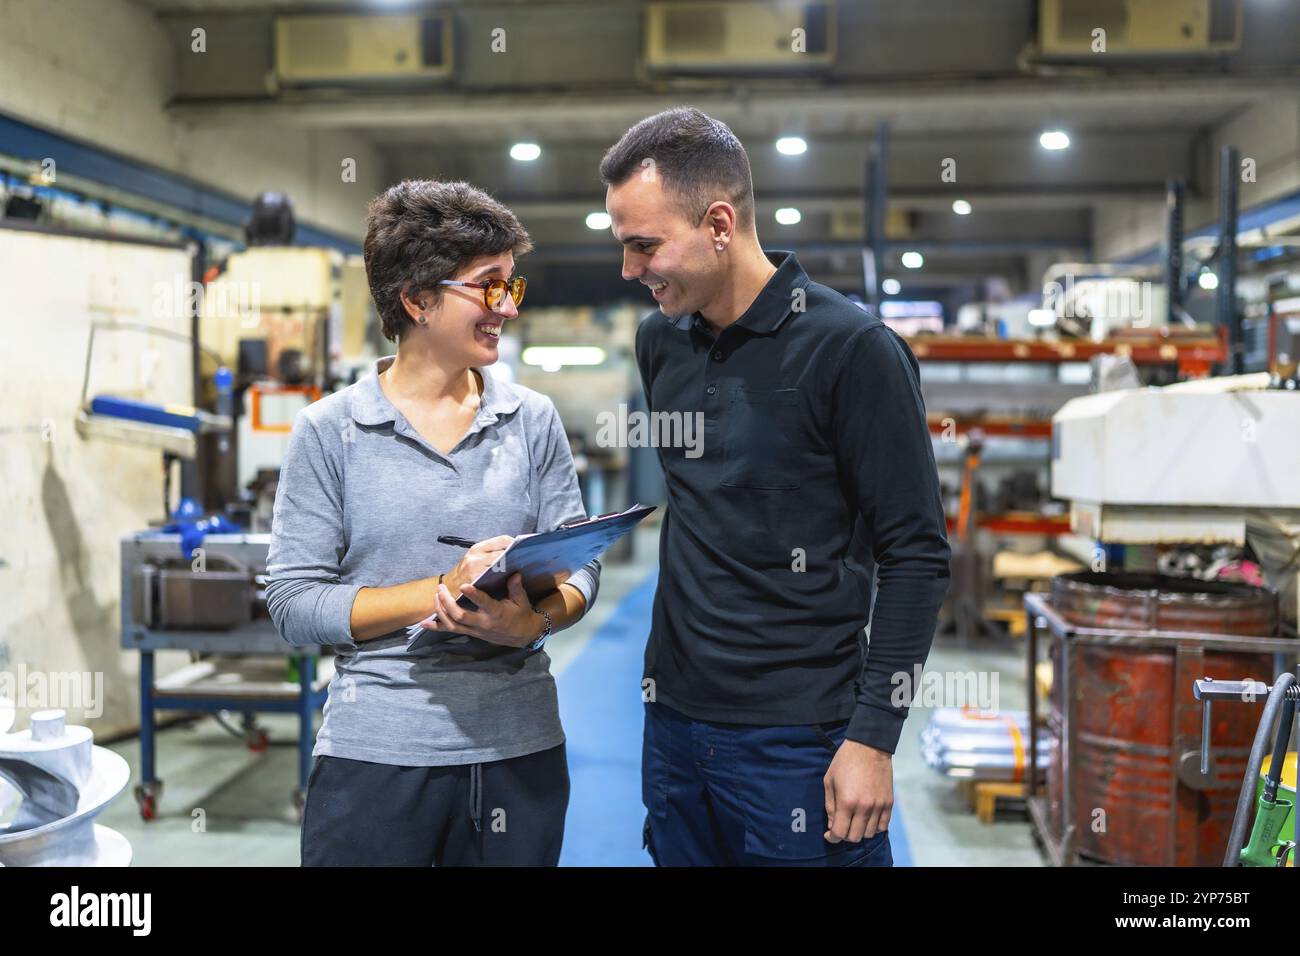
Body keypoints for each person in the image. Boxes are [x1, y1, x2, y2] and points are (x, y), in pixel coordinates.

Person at [601, 108, 951, 866]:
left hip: (801, 744)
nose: (630, 271)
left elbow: (917, 555)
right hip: (672, 731)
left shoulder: (854, 351)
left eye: (644, 246)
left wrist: (873, 738)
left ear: (719, 223)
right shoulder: (660, 341)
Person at [266, 179, 599, 866]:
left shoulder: (531, 421)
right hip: (377, 757)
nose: (505, 308)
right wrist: (446, 587)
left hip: (520, 751)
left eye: (511, 286)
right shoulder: (330, 431)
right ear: (417, 299)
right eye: (487, 287)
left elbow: (583, 565)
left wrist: (532, 622)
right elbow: (294, 604)